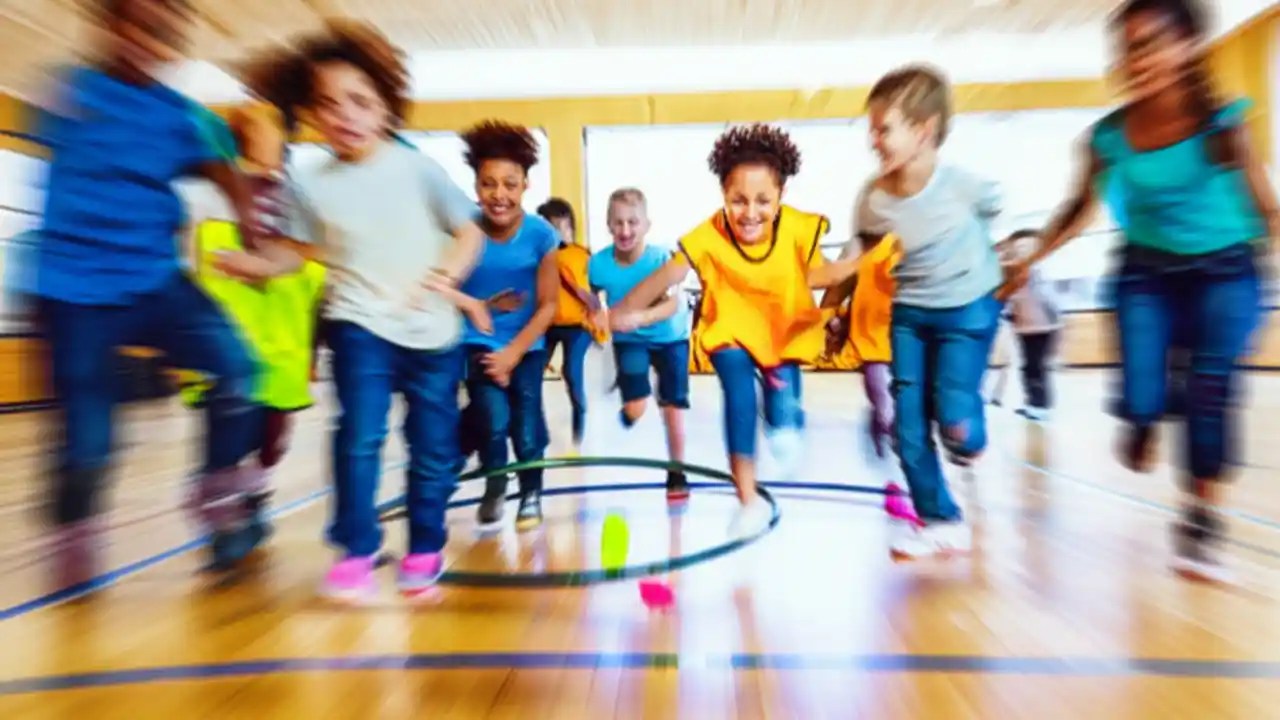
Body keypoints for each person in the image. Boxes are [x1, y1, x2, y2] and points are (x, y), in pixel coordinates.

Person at [1001, 0, 1279, 583]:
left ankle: (1201, 517)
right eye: (1128, 47)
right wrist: (1031, 258)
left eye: (1152, 43)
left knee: (1210, 388)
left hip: (1228, 272)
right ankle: (1145, 414)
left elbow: (1266, 207)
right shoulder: (1107, 138)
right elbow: (1079, 207)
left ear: (1187, 50)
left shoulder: (1224, 125)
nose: (1138, 58)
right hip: (1146, 273)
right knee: (1143, 399)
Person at [32, 0, 286, 589]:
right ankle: (74, 529)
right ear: (108, 26)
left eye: (165, 35)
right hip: (73, 291)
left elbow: (221, 163)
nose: (150, 43)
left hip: (153, 283)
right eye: (137, 27)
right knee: (89, 441)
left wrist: (248, 212)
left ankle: (216, 491)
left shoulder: (178, 115)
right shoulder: (69, 95)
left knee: (235, 370)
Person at [238, 20, 488, 601]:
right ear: (311, 112)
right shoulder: (310, 182)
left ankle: (425, 544)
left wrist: (446, 274)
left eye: (359, 101)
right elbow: (298, 252)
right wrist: (252, 263)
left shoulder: (416, 168)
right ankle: (357, 544)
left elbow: (469, 233)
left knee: (431, 444)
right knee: (358, 434)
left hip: (430, 333)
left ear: (385, 107)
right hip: (358, 326)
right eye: (328, 104)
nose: (343, 115)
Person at [611, 124, 860, 539]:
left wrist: (854, 268)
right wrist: (623, 311)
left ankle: (784, 417)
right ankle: (747, 500)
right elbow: (668, 275)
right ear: (723, 196)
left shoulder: (797, 229)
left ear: (781, 196)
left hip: (780, 332)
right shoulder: (709, 236)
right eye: (737, 200)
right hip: (729, 331)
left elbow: (814, 274)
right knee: (740, 398)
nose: (750, 212)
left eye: (763, 200)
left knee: (783, 424)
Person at [856, 65, 1004, 560]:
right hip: (912, 316)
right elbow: (861, 255)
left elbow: (993, 218)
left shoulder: (963, 186)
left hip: (967, 311)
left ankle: (969, 436)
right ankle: (940, 518)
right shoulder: (874, 199)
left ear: (923, 131)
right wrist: (831, 309)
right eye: (871, 129)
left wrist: (1000, 265)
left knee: (954, 417)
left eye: (883, 129)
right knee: (908, 426)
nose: (873, 140)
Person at [174, 105, 327, 569]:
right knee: (225, 428)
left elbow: (316, 270)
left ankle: (255, 493)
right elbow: (187, 258)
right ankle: (223, 518)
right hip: (228, 336)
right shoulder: (207, 195)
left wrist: (313, 349)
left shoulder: (301, 199)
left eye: (272, 129)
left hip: (284, 338)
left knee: (272, 437)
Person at [458, 121, 560, 533]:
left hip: (527, 347)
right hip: (477, 343)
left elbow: (549, 304)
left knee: (525, 423)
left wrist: (514, 352)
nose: (499, 194)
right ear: (477, 185)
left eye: (510, 184)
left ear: (525, 185)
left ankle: (531, 492)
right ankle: (495, 482)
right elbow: (449, 289)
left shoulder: (541, 234)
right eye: (488, 184)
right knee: (491, 420)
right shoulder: (463, 228)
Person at [590, 188, 692, 502]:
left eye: (633, 222)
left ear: (647, 225)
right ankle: (630, 411)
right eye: (618, 223)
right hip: (629, 342)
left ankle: (676, 471)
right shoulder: (598, 265)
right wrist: (598, 318)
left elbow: (672, 306)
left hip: (671, 338)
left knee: (672, 407)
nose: (625, 230)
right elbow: (595, 303)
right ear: (608, 225)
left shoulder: (661, 259)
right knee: (637, 407)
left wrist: (638, 317)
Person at [821, 230, 921, 526]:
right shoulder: (861, 243)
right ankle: (896, 485)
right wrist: (831, 320)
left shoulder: (922, 237)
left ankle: (917, 482)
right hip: (874, 344)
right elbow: (837, 286)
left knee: (913, 418)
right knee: (888, 413)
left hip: (912, 340)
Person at [537, 198, 598, 453]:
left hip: (578, 326)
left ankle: (578, 436)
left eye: (560, 226)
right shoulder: (541, 257)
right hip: (550, 323)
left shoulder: (582, 255)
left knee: (572, 373)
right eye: (549, 227)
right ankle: (537, 434)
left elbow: (595, 291)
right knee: (531, 374)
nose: (557, 232)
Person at [1000, 230, 1062, 421]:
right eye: (1018, 247)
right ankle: (1033, 404)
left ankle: (1041, 406)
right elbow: (1011, 298)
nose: (1022, 251)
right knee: (1028, 367)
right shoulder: (1012, 272)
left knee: (1036, 367)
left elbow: (1045, 299)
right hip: (1025, 327)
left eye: (1026, 247)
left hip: (1044, 327)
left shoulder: (1037, 269)